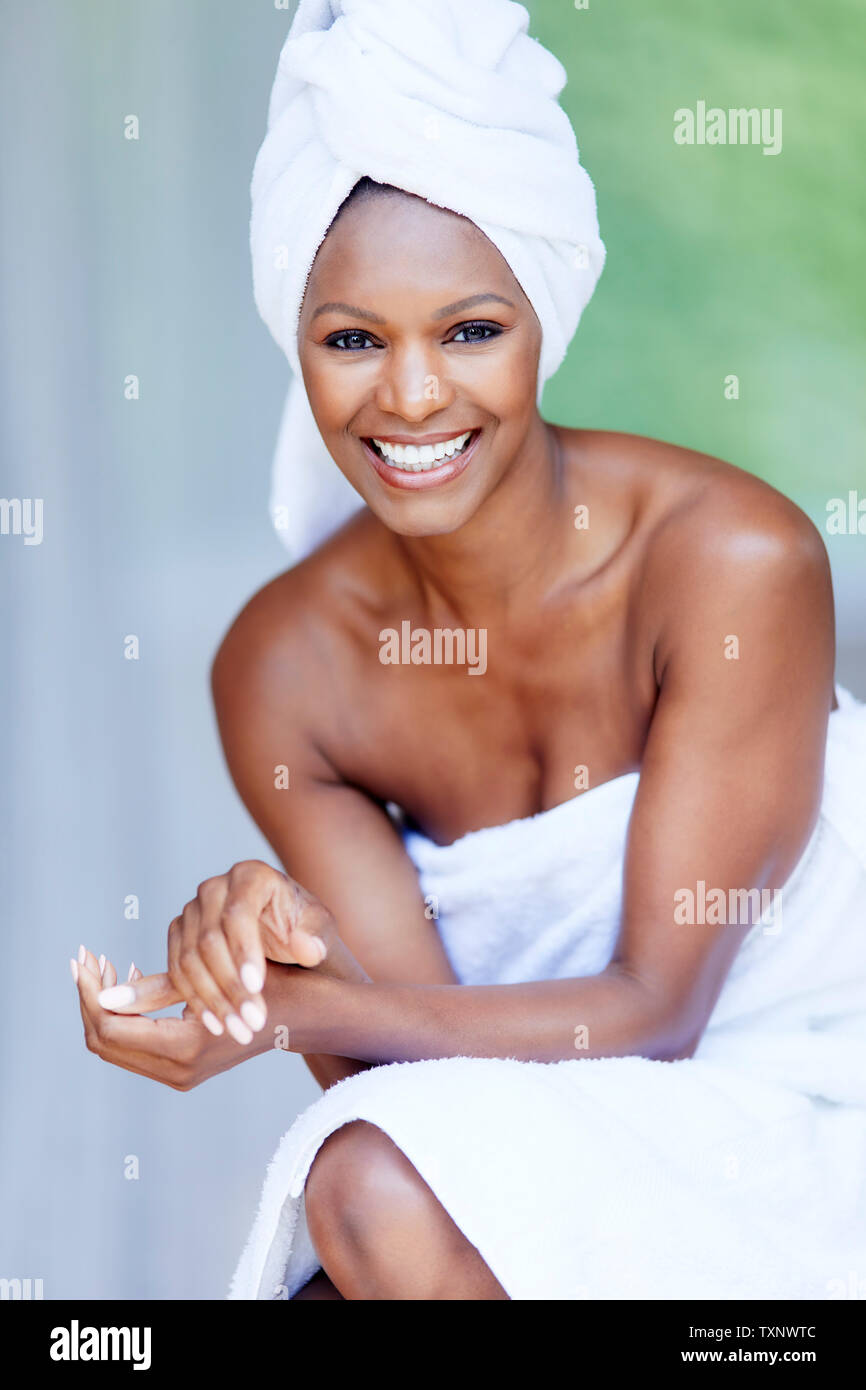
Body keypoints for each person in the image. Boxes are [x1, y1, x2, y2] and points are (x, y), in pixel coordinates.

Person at [72, 0, 866, 1301]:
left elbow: (654, 1012)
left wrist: (298, 1012)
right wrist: (278, 956)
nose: (413, 396)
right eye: (350, 341)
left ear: (540, 319)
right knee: (366, 1203)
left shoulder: (731, 558)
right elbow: (420, 1099)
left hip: (816, 1099)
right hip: (573, 1122)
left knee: (359, 1205)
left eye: (469, 330)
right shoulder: (286, 667)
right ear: (299, 344)